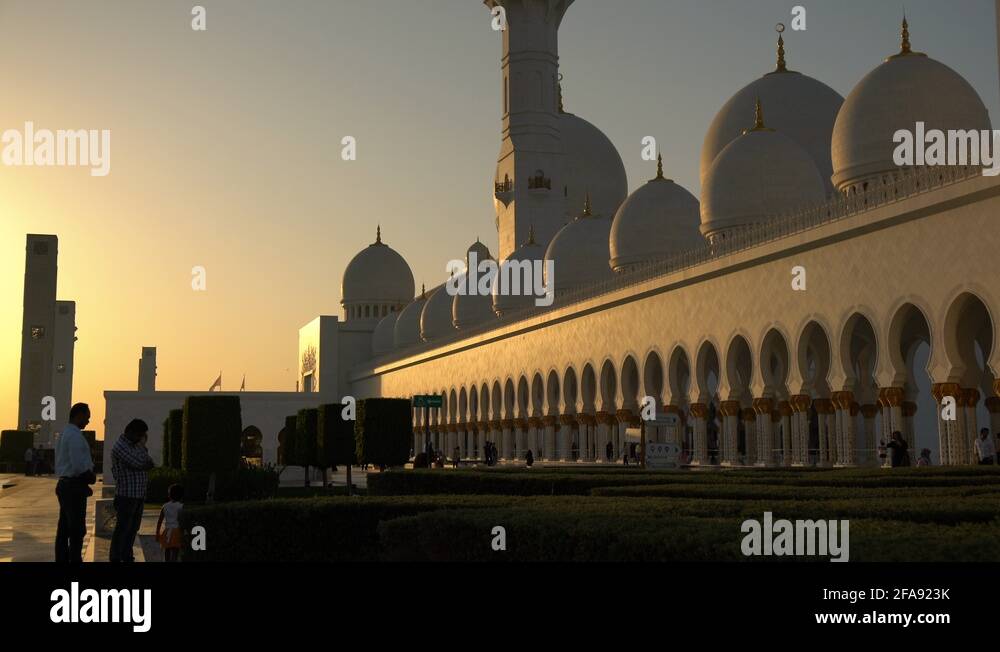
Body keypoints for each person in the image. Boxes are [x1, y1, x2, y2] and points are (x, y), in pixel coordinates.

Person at [54, 403, 96, 563]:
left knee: (64, 529)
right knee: (77, 529)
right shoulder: (75, 436)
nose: (88, 421)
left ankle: (62, 559)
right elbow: (79, 466)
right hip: (73, 486)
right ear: (78, 415)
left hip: (65, 485)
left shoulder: (64, 433)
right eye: (87, 417)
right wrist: (90, 477)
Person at [110, 419, 155, 563]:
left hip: (138, 494)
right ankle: (116, 557)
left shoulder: (136, 445)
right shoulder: (120, 446)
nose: (141, 438)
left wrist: (143, 461)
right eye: (139, 435)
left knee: (132, 529)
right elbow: (139, 463)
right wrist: (143, 462)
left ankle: (126, 555)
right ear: (131, 432)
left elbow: (149, 462)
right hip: (126, 495)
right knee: (122, 529)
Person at [155, 484, 184, 562]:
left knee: (167, 550)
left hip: (167, 531)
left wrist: (157, 533)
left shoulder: (165, 506)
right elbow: (182, 520)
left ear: (169, 495)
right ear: (181, 496)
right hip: (177, 531)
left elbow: (159, 521)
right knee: (175, 551)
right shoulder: (181, 507)